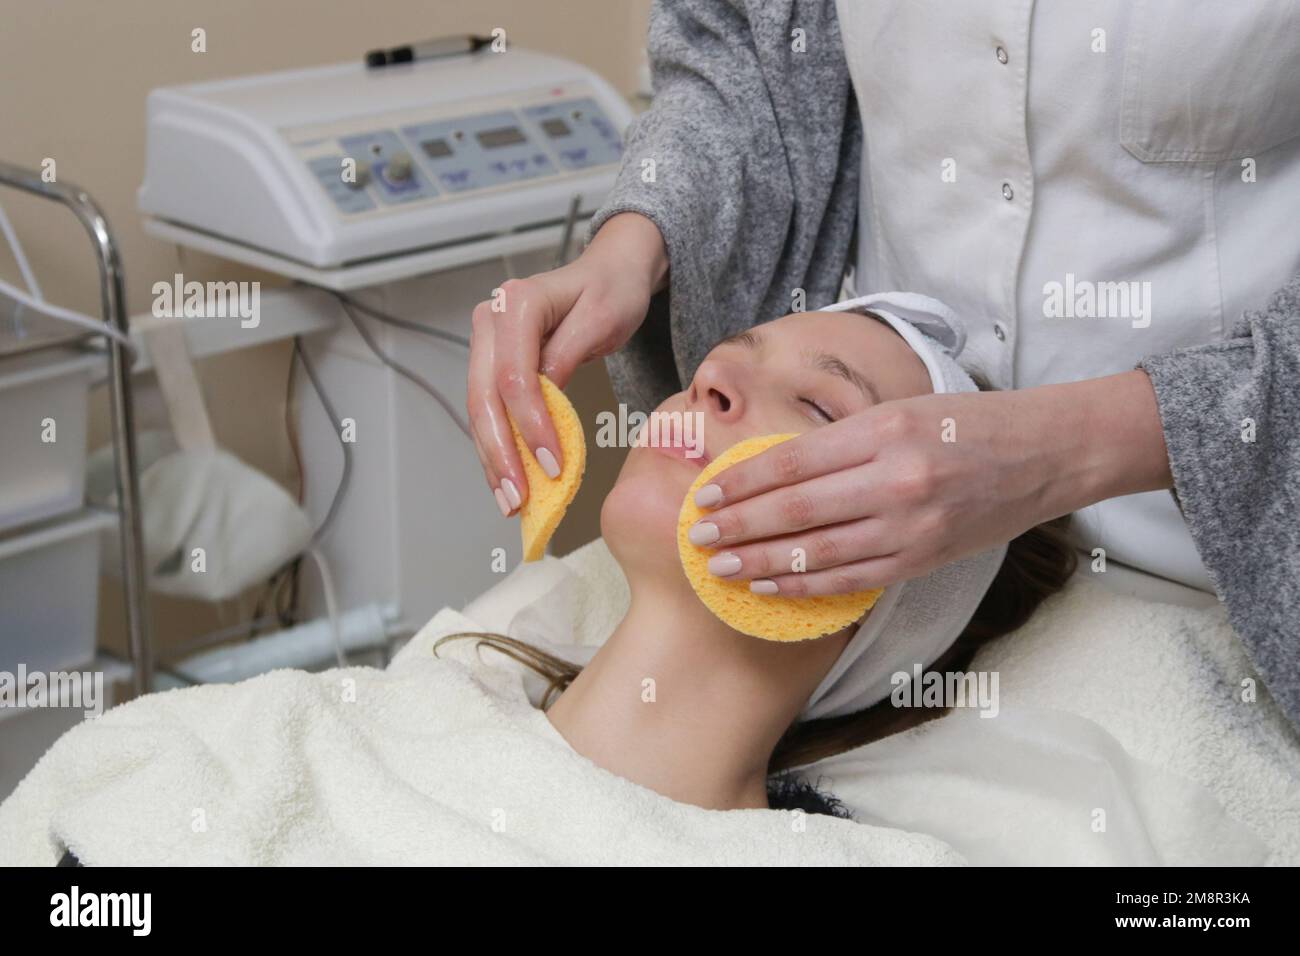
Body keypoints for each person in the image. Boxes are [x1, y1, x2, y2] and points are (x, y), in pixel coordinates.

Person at [466, 2, 1300, 731]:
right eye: (736, 349)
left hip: (1225, 567)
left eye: (824, 412)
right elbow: (739, 43)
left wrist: (1110, 442)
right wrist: (636, 239)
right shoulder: (363, 743)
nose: (705, 379)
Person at [450, 298, 1075, 813]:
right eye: (716, 361)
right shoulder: (405, 716)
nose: (708, 381)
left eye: (819, 406)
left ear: (879, 588)